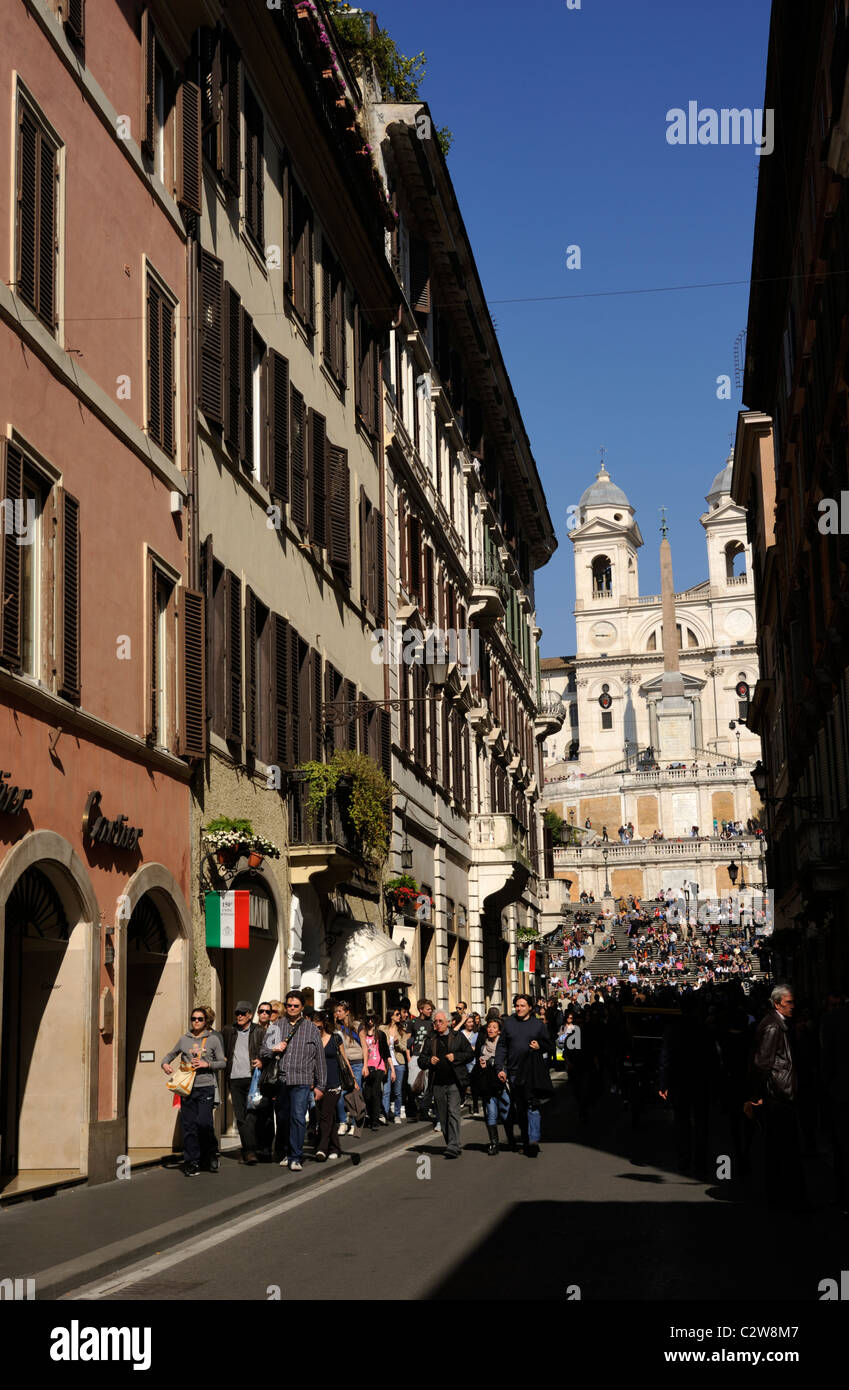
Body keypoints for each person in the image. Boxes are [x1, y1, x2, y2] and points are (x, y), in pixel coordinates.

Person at [746, 984, 804, 1209]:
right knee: (784, 1150)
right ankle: (789, 1198)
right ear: (778, 1003)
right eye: (788, 1002)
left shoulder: (777, 1023)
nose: (793, 1006)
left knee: (782, 1150)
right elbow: (762, 1063)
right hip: (778, 1095)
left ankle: (783, 1196)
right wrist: (757, 1094)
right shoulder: (773, 1026)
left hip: (779, 1093)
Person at [261, 990, 326, 1172]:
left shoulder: (311, 1029)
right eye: (289, 1005)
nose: (291, 1008)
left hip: (302, 1080)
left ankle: (295, 1157)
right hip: (282, 1079)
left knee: (298, 1117)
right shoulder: (277, 1026)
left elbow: (319, 1058)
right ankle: (286, 1151)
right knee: (283, 1119)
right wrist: (274, 1048)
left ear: (302, 1008)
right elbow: (263, 1051)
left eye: (295, 1006)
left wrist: (321, 1085)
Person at [162, 1008, 226, 1176]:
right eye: (193, 1018)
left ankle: (211, 1154)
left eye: (200, 1019)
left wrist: (207, 1065)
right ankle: (192, 1161)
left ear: (205, 1022)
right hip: (186, 1088)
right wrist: (165, 1064)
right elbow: (170, 1055)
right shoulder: (184, 1039)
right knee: (189, 1126)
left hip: (205, 1087)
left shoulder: (212, 1040)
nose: (196, 1021)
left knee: (203, 1123)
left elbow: (222, 1063)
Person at [495, 994, 550, 1157]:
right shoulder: (509, 1024)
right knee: (521, 1109)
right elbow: (502, 1047)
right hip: (514, 1073)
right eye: (517, 1005)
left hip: (532, 1073)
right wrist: (499, 1067)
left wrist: (540, 1045)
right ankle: (526, 1140)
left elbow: (549, 1044)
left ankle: (533, 1141)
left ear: (530, 1008)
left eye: (522, 1005)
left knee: (532, 1106)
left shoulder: (538, 1025)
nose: (519, 1008)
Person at [417, 1010, 474, 1157]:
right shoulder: (431, 1039)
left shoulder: (457, 1036)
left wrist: (456, 1056)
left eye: (440, 1021)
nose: (437, 1024)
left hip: (454, 1082)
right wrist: (429, 1060)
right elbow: (421, 1060)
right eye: (435, 1021)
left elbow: (469, 1054)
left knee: (453, 1113)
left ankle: (453, 1145)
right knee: (442, 1116)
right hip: (437, 1084)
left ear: (448, 1022)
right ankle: (451, 1143)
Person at [222, 1001, 265, 1165]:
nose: (239, 1016)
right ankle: (249, 1151)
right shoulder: (228, 1031)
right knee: (240, 1116)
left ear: (250, 1014)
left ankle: (250, 1149)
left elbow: (268, 1051)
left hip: (253, 1078)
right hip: (234, 1079)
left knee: (252, 1115)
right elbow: (220, 1046)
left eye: (242, 1013)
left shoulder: (259, 1031)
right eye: (237, 1013)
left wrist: (262, 1061)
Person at [314, 1008, 352, 1161]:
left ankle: (322, 1148)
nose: (317, 1030)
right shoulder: (312, 1040)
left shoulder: (335, 1038)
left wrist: (353, 1079)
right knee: (326, 1116)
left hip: (334, 1083)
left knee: (326, 1115)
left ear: (324, 1024)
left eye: (319, 1027)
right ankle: (335, 1147)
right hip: (318, 1084)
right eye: (314, 1027)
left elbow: (344, 1059)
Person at [476, 1017, 512, 1154]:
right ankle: (494, 1144)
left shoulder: (504, 1046)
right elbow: (480, 1068)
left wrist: (504, 1071)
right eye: (489, 1027)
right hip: (489, 1086)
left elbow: (509, 1063)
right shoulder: (483, 1047)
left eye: (494, 1027)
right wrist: (483, 1065)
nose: (490, 1029)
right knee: (491, 1113)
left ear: (499, 1031)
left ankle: (511, 1140)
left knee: (506, 1113)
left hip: (503, 1085)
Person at [334, 1002, 363, 1136]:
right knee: (339, 1094)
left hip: (357, 1062)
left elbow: (364, 1046)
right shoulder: (336, 1029)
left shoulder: (357, 1026)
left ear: (347, 1012)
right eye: (336, 1011)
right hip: (343, 1064)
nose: (337, 1013)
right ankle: (342, 1122)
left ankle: (355, 1123)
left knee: (355, 1093)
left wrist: (366, 1065)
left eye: (340, 1011)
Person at [360, 1011, 393, 1128]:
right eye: (368, 1019)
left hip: (379, 1066)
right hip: (367, 1067)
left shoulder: (380, 1034)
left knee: (376, 1093)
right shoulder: (362, 1034)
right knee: (367, 1095)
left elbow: (387, 1053)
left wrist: (392, 1069)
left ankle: (374, 1121)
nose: (370, 1021)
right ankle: (373, 1115)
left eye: (372, 1019)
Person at [405, 998, 435, 1120]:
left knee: (427, 1085)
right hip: (415, 1056)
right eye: (428, 1009)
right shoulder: (413, 1022)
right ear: (421, 1010)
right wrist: (408, 1057)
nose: (431, 1011)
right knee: (412, 1083)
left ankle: (423, 1110)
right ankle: (415, 1106)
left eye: (431, 1009)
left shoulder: (432, 1023)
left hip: (427, 1057)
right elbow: (407, 1041)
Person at [381, 1008, 408, 1123]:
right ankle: (385, 1114)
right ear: (391, 1016)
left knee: (397, 1091)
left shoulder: (402, 1030)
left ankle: (397, 1114)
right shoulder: (382, 1029)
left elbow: (404, 1047)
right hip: (386, 1063)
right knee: (386, 1091)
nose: (399, 1016)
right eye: (397, 1014)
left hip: (399, 1063)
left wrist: (397, 1043)